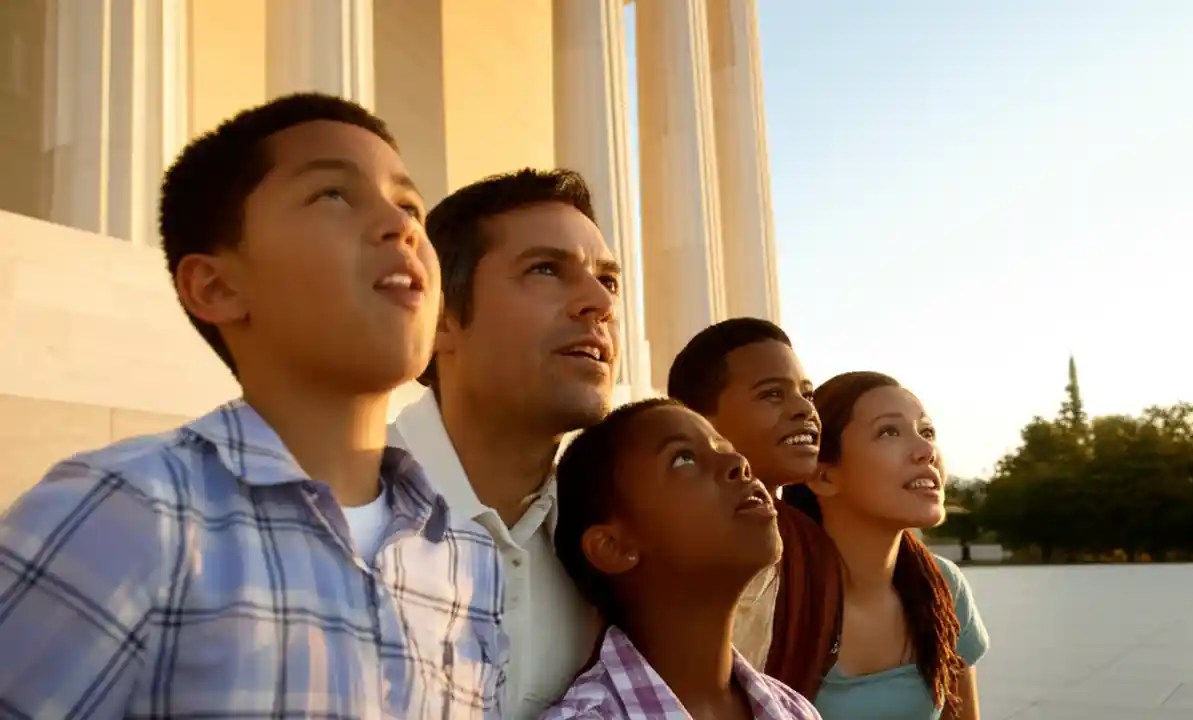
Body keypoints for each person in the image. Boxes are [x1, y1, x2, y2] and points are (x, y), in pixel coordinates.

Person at [0, 94, 506, 718]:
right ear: (216, 286)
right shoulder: (129, 509)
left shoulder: (465, 557)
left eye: (409, 206)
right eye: (333, 195)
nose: (400, 226)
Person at [389, 168, 620, 719]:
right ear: (440, 318)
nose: (598, 303)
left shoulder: (614, 549)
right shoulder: (312, 515)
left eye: (608, 281)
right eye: (546, 270)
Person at [543, 398, 822, 720]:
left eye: (725, 447)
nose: (738, 461)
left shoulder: (794, 711)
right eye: (683, 459)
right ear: (613, 547)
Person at [783, 371, 989, 720]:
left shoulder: (942, 586)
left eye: (927, 432)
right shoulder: (774, 600)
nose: (926, 451)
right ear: (824, 476)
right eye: (889, 432)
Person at [667, 318, 842, 698]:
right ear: (695, 420)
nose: (803, 410)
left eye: (807, 395)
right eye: (772, 395)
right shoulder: (659, 533)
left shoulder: (810, 547)